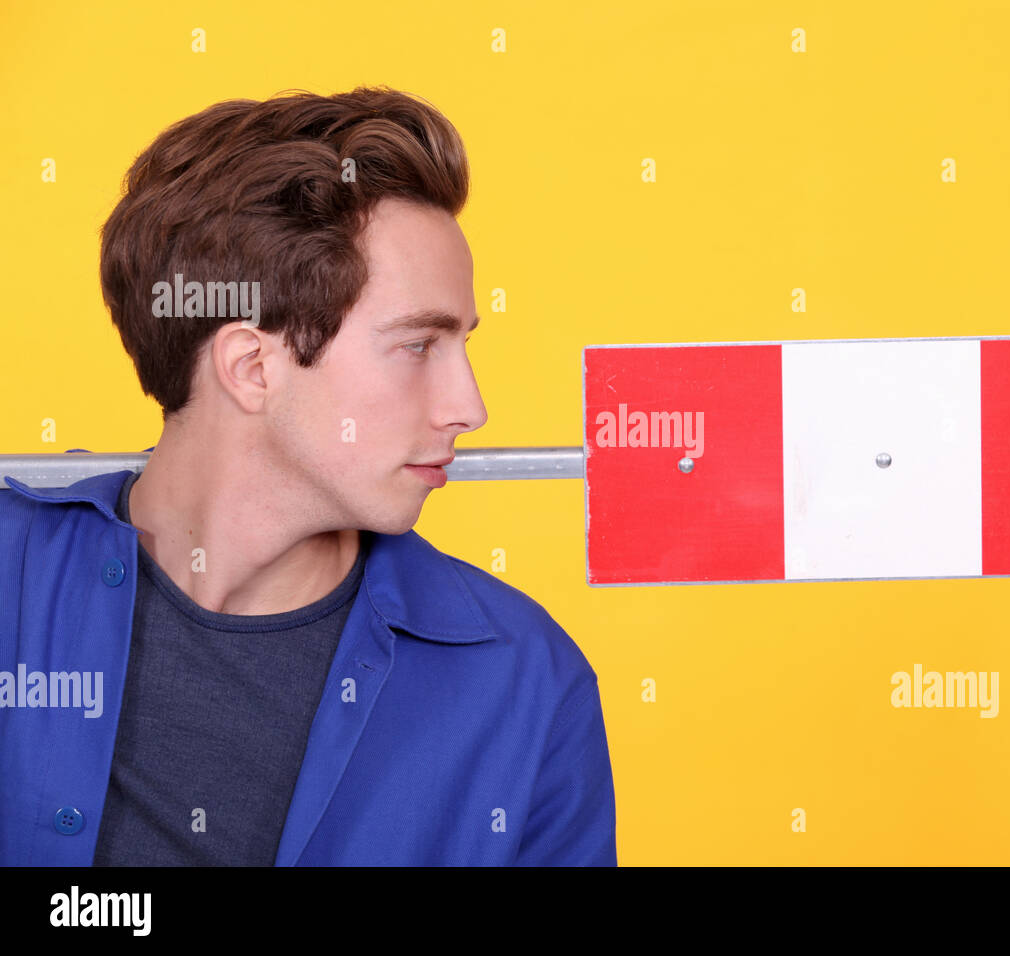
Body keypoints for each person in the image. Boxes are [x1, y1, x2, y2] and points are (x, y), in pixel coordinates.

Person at [0, 87, 616, 865]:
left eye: (463, 344)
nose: (471, 407)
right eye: (420, 346)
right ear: (253, 367)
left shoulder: (530, 684)